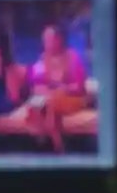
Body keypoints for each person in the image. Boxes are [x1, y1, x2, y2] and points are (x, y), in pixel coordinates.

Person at [27, 24, 88, 153]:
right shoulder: (44, 58)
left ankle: (58, 147)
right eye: (44, 40)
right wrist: (41, 88)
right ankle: (42, 142)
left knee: (51, 102)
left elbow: (80, 88)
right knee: (35, 104)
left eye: (49, 40)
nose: (46, 43)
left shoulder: (72, 57)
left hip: (73, 97)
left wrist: (62, 88)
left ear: (59, 40)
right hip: (51, 97)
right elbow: (35, 83)